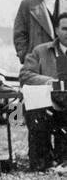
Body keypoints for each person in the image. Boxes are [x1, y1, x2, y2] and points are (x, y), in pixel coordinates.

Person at [19, 12, 67, 171]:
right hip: (47, 106)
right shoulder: (41, 51)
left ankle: (63, 159)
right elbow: (25, 75)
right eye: (65, 28)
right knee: (34, 110)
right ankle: (43, 161)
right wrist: (48, 82)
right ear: (56, 30)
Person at [13, 0, 65, 65]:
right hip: (38, 59)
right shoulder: (27, 5)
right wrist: (25, 56)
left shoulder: (65, 5)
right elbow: (19, 34)